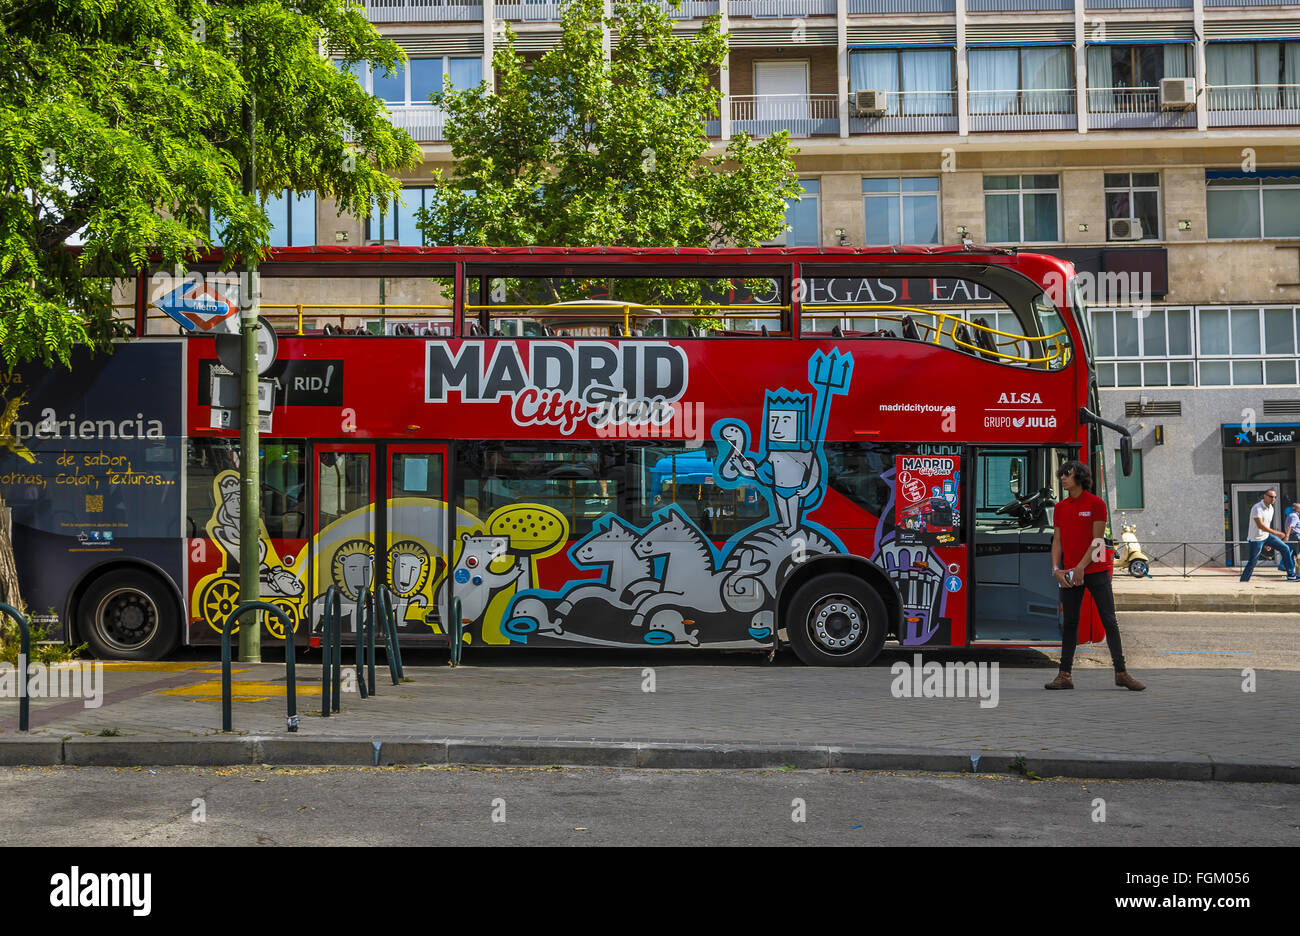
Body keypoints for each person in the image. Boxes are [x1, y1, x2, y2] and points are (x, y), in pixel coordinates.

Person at [1044, 460, 1145, 691]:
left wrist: (1080, 566)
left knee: (1109, 621)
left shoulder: (1096, 504)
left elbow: (1097, 540)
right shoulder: (1060, 508)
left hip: (1096, 571)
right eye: (1061, 475)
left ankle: (1121, 673)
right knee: (1069, 623)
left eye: (1067, 475)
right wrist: (1056, 570)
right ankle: (1064, 675)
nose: (1062, 478)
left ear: (1079, 477)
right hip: (1070, 573)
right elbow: (1057, 541)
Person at [1239, 488, 1298, 582]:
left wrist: (1267, 542)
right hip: (1256, 539)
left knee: (1285, 548)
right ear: (1265, 496)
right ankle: (1244, 581)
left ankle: (1291, 575)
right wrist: (1277, 533)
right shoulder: (1257, 508)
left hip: (1267, 536)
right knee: (1252, 562)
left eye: (1275, 497)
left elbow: (1266, 525)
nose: (1273, 499)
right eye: (1271, 496)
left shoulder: (1271, 508)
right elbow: (1260, 525)